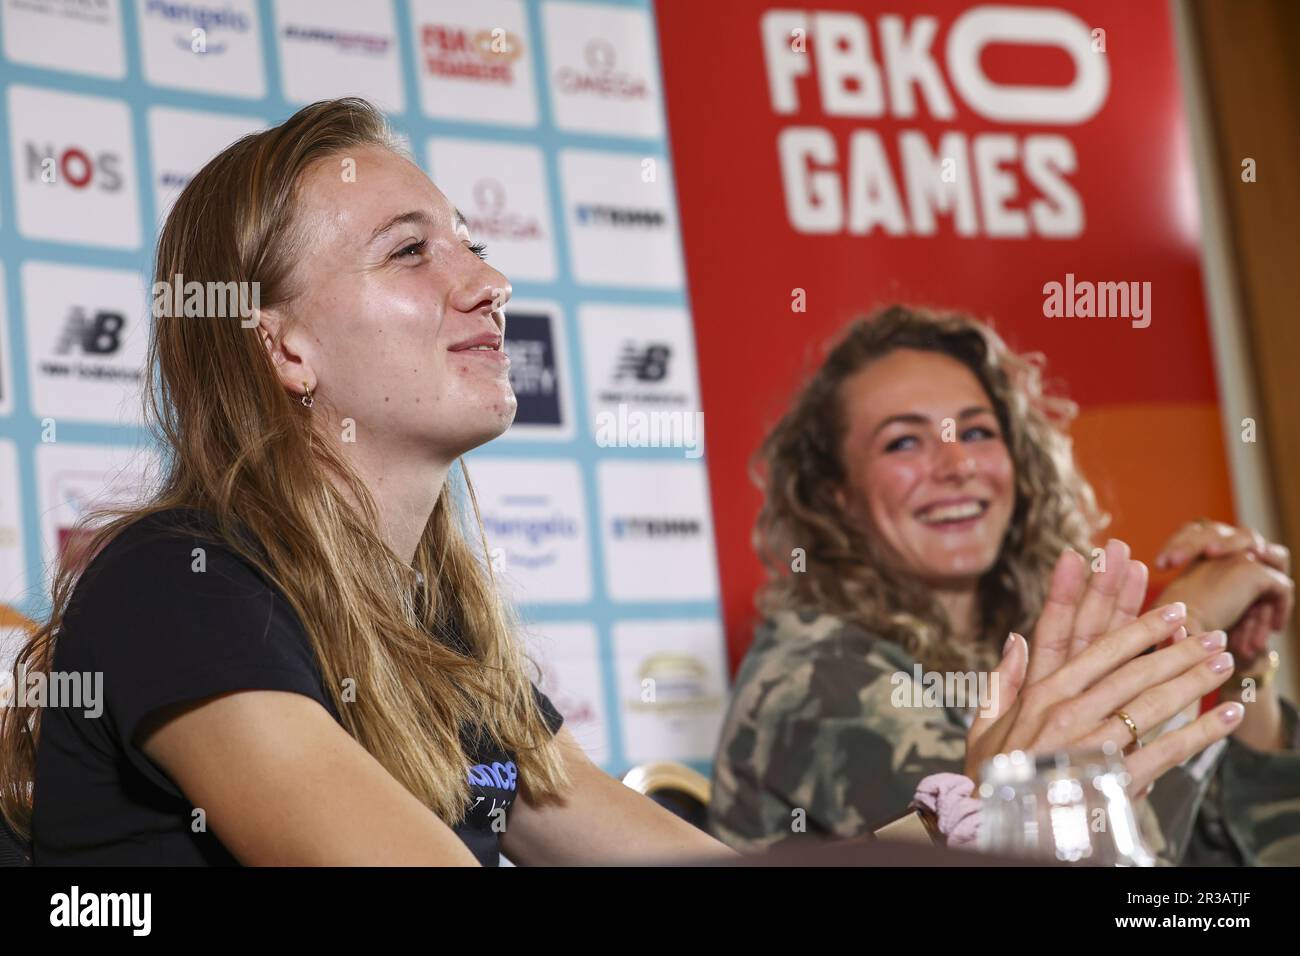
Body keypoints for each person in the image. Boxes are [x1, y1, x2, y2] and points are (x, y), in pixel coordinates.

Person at [0, 100, 1265, 867]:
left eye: (474, 245)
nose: (488, 283)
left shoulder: (428, 636)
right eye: (409, 251)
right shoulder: (180, 582)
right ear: (280, 344)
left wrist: (981, 807)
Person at [710, 305, 1300, 864]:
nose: (958, 465)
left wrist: (1239, 664)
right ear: (836, 494)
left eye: (975, 433)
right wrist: (1181, 624)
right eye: (904, 442)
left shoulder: (1016, 641)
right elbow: (1071, 851)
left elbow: (1268, 856)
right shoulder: (814, 678)